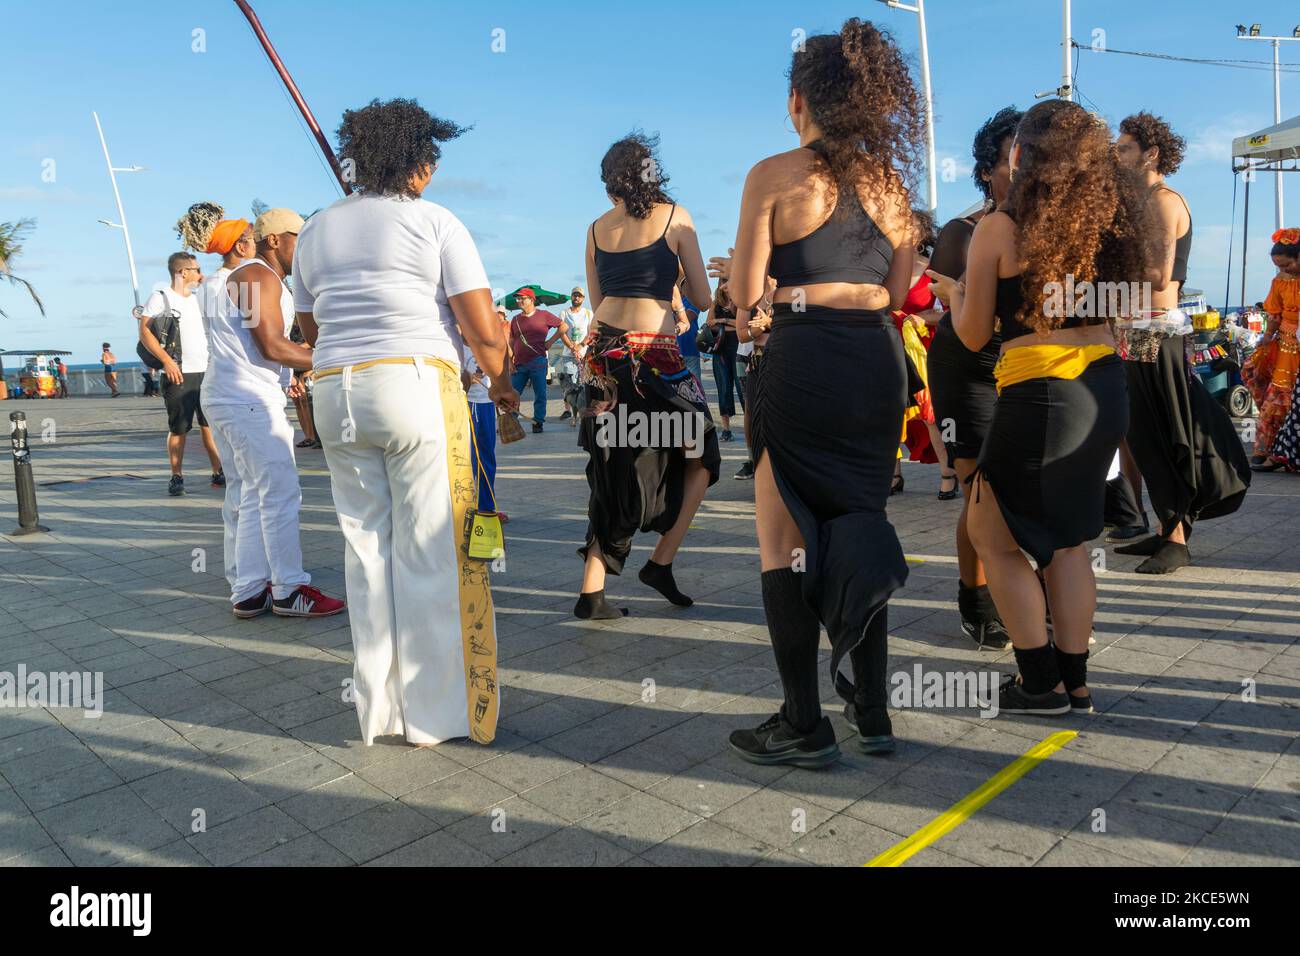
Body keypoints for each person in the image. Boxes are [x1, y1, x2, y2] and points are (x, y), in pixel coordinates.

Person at [725, 19, 920, 767]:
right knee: (861, 520)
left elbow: (745, 293)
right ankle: (872, 710)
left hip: (803, 355)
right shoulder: (892, 183)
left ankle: (802, 721)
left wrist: (770, 293)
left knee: (783, 544)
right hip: (875, 358)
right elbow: (900, 289)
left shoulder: (773, 174)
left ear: (799, 98)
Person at [294, 98, 517, 748]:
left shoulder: (314, 228)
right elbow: (483, 331)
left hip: (336, 388)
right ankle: (434, 716)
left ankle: (379, 712)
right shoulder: (436, 221)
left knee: (365, 549)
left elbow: (311, 327)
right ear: (418, 162)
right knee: (430, 549)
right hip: (414, 382)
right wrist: (500, 379)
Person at [929, 99, 1152, 717]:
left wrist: (959, 293)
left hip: (1041, 393)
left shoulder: (1001, 227)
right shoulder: (1114, 229)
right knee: (1070, 540)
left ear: (1022, 155)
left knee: (990, 534)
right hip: (1104, 387)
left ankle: (1039, 681)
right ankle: (1075, 683)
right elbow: (1130, 310)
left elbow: (972, 336)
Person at [577, 131, 719, 619]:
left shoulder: (596, 229)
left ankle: (592, 592)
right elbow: (701, 299)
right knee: (702, 454)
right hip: (656, 357)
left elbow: (598, 304)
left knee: (611, 467)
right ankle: (661, 560)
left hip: (604, 357)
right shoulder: (676, 217)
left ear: (608, 183)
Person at [1111, 112, 1250, 572]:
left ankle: (1175, 536)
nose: (1117, 153)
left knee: (1168, 433)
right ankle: (1165, 529)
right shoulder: (1144, 202)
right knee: (1144, 436)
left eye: (1125, 147)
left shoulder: (1163, 202)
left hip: (1156, 331)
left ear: (1151, 154)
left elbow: (1157, 274)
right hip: (1139, 330)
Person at [203, 207, 346, 622]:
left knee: (250, 494)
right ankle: (289, 588)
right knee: (280, 494)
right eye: (298, 238)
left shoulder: (249, 278)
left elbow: (260, 342)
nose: (305, 248)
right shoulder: (255, 276)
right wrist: (329, 356)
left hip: (232, 396)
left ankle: (249, 591)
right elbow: (270, 345)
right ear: (275, 240)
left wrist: (291, 371)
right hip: (246, 400)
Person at [923, 107, 1020, 650]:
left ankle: (1030, 593)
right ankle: (975, 598)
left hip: (1025, 373)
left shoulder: (1056, 231)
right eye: (1011, 158)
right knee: (980, 492)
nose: (1023, 168)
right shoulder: (963, 231)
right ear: (987, 169)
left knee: (1024, 491)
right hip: (967, 370)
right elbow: (947, 311)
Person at [137, 251, 225, 497]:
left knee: (209, 425)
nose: (200, 273)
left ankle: (218, 471)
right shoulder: (161, 297)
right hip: (179, 372)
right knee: (179, 428)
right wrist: (167, 362)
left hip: (207, 371)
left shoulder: (199, 298)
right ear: (182, 272)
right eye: (196, 269)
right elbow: (144, 332)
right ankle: (176, 475)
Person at [1244, 229, 1300, 470]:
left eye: (1287, 265)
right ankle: (1267, 448)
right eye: (1279, 267)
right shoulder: (1279, 282)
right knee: (1275, 394)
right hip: (1287, 346)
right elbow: (1274, 315)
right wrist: (1266, 338)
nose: (1283, 271)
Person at [507, 288, 561, 432]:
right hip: (519, 363)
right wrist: (509, 361)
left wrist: (550, 342)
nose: (519, 301)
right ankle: (511, 421)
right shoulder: (516, 319)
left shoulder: (544, 315)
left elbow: (564, 326)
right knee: (513, 393)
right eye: (517, 299)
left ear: (532, 299)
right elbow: (511, 340)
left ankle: (538, 422)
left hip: (538, 361)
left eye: (522, 298)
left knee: (540, 394)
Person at [705, 284, 744, 441]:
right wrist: (728, 323)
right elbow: (709, 323)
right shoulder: (716, 303)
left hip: (738, 346)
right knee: (723, 388)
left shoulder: (741, 301)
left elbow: (742, 324)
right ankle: (726, 430)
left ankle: (751, 424)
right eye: (723, 281)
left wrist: (722, 320)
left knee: (742, 388)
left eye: (729, 281)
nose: (726, 285)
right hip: (720, 348)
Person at [557, 286, 593, 422]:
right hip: (568, 354)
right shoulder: (564, 313)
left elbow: (591, 332)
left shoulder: (588, 313)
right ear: (571, 296)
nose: (576, 297)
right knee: (569, 385)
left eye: (579, 296)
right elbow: (561, 332)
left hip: (584, 355)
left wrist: (581, 345)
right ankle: (569, 411)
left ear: (583, 298)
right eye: (574, 295)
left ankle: (582, 411)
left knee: (583, 384)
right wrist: (572, 347)